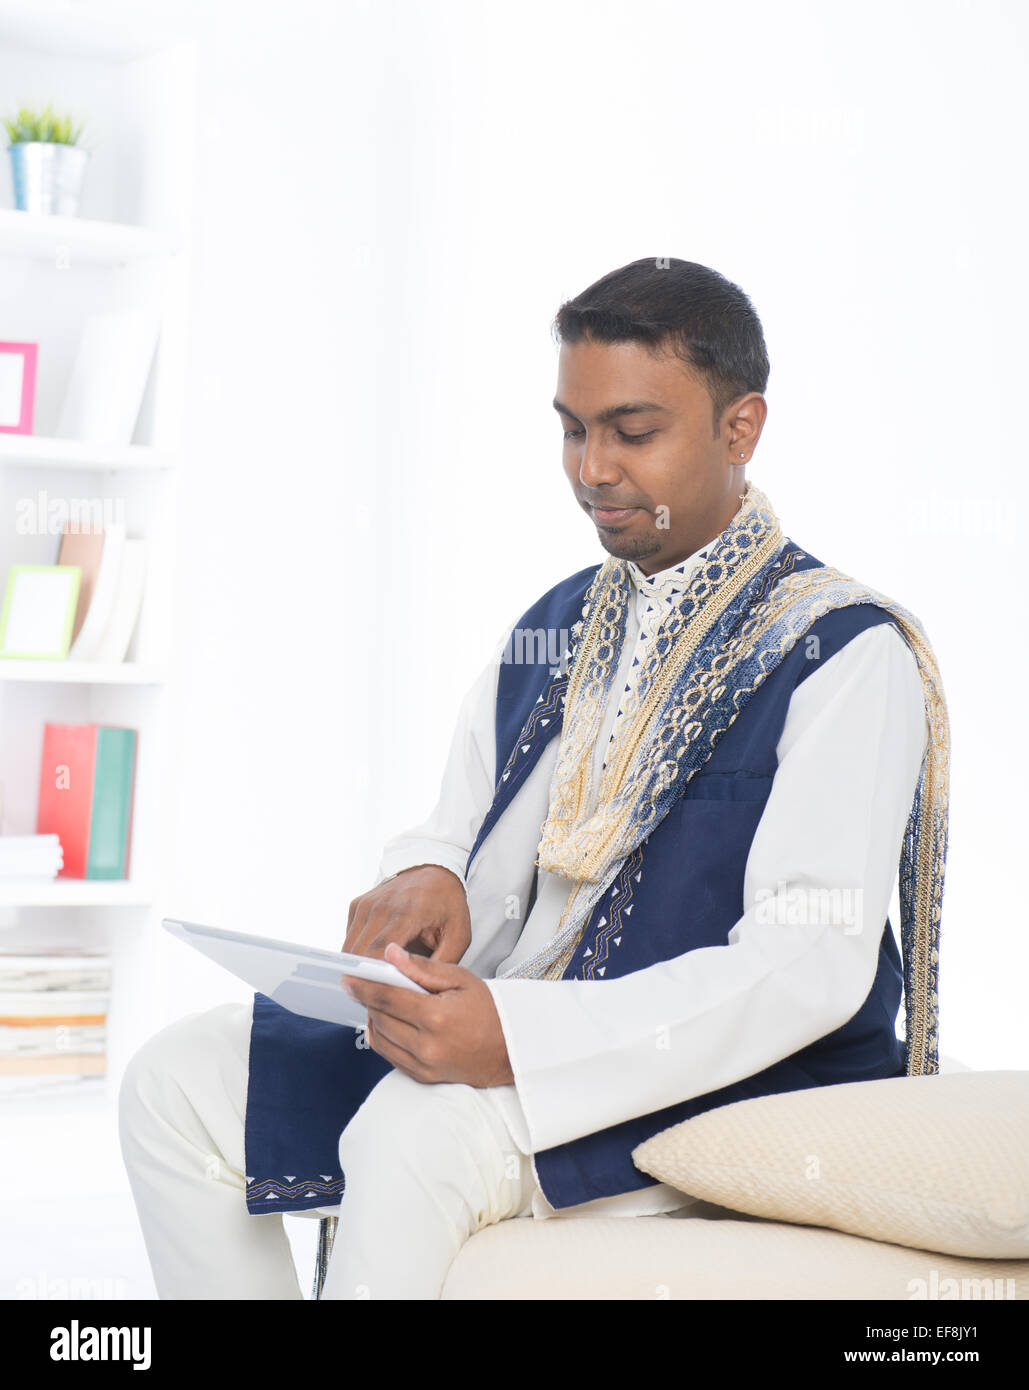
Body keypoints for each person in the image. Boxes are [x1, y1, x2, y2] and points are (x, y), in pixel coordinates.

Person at [119, 257, 949, 1300]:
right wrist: (433, 877)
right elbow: (451, 825)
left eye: (633, 431)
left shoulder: (838, 650)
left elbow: (807, 968)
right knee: (171, 1086)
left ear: (742, 429)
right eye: (572, 427)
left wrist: (516, 1037)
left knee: (407, 1138)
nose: (593, 467)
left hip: (704, 1072)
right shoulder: (556, 625)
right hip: (501, 1016)